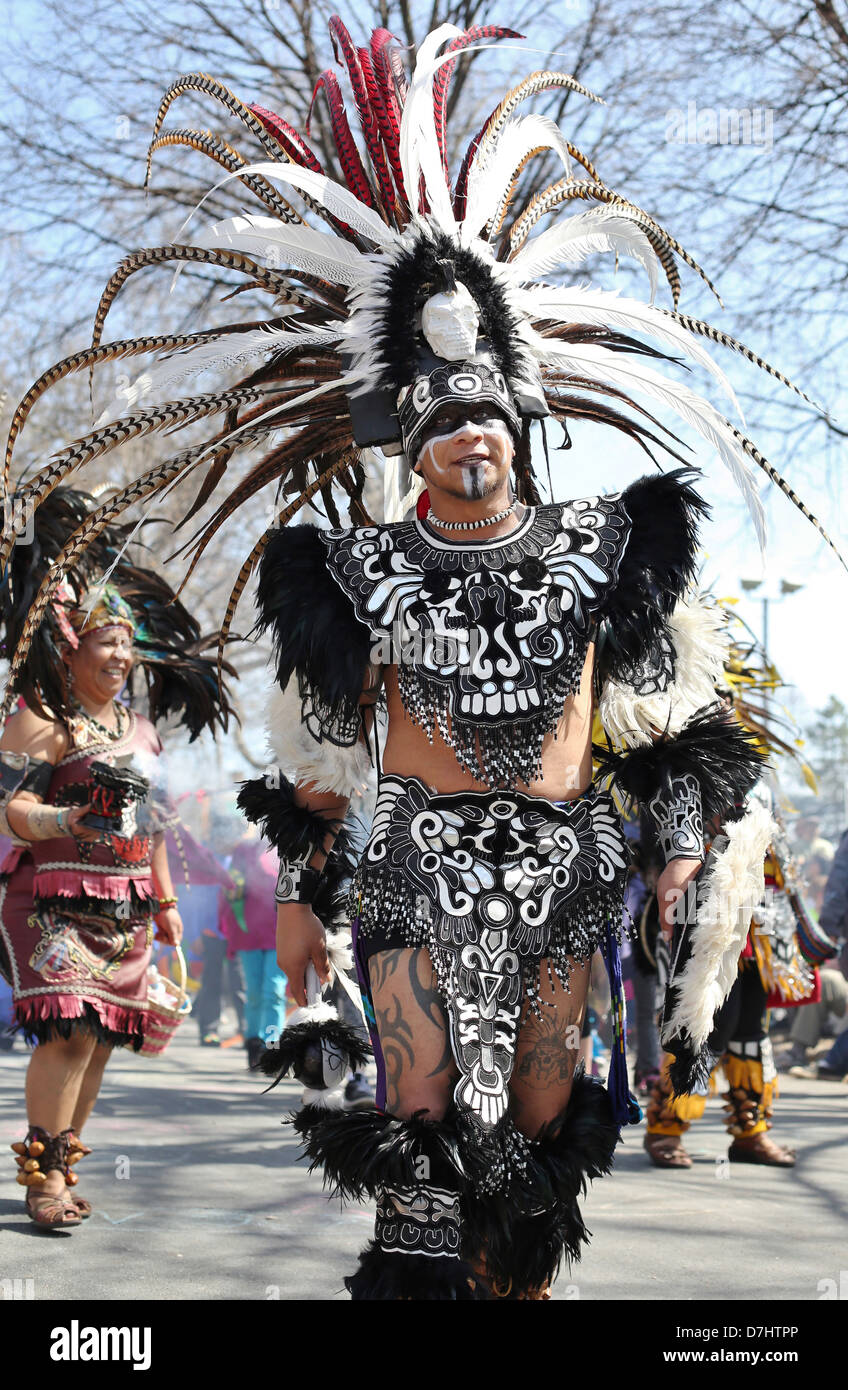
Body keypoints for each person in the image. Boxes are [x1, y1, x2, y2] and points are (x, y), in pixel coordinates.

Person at [9, 17, 839, 1293]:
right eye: (444, 419)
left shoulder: (609, 544)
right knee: (422, 1103)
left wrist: (677, 836)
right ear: (410, 434)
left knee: (539, 1121)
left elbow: (679, 715)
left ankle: (518, 1284)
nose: (470, 437)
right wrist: (296, 897)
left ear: (519, 420)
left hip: (562, 865)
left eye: (488, 417)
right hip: (411, 863)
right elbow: (319, 749)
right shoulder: (351, 573)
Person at [0, 488, 230, 1229]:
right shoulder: (41, 718)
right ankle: (40, 1182)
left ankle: (64, 1163)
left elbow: (158, 827)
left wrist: (164, 907)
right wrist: (68, 815)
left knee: (100, 1041)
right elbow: (13, 810)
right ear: (71, 647)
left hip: (128, 903)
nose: (124, 656)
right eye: (109, 642)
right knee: (69, 1029)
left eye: (129, 645)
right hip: (48, 899)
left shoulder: (142, 732)